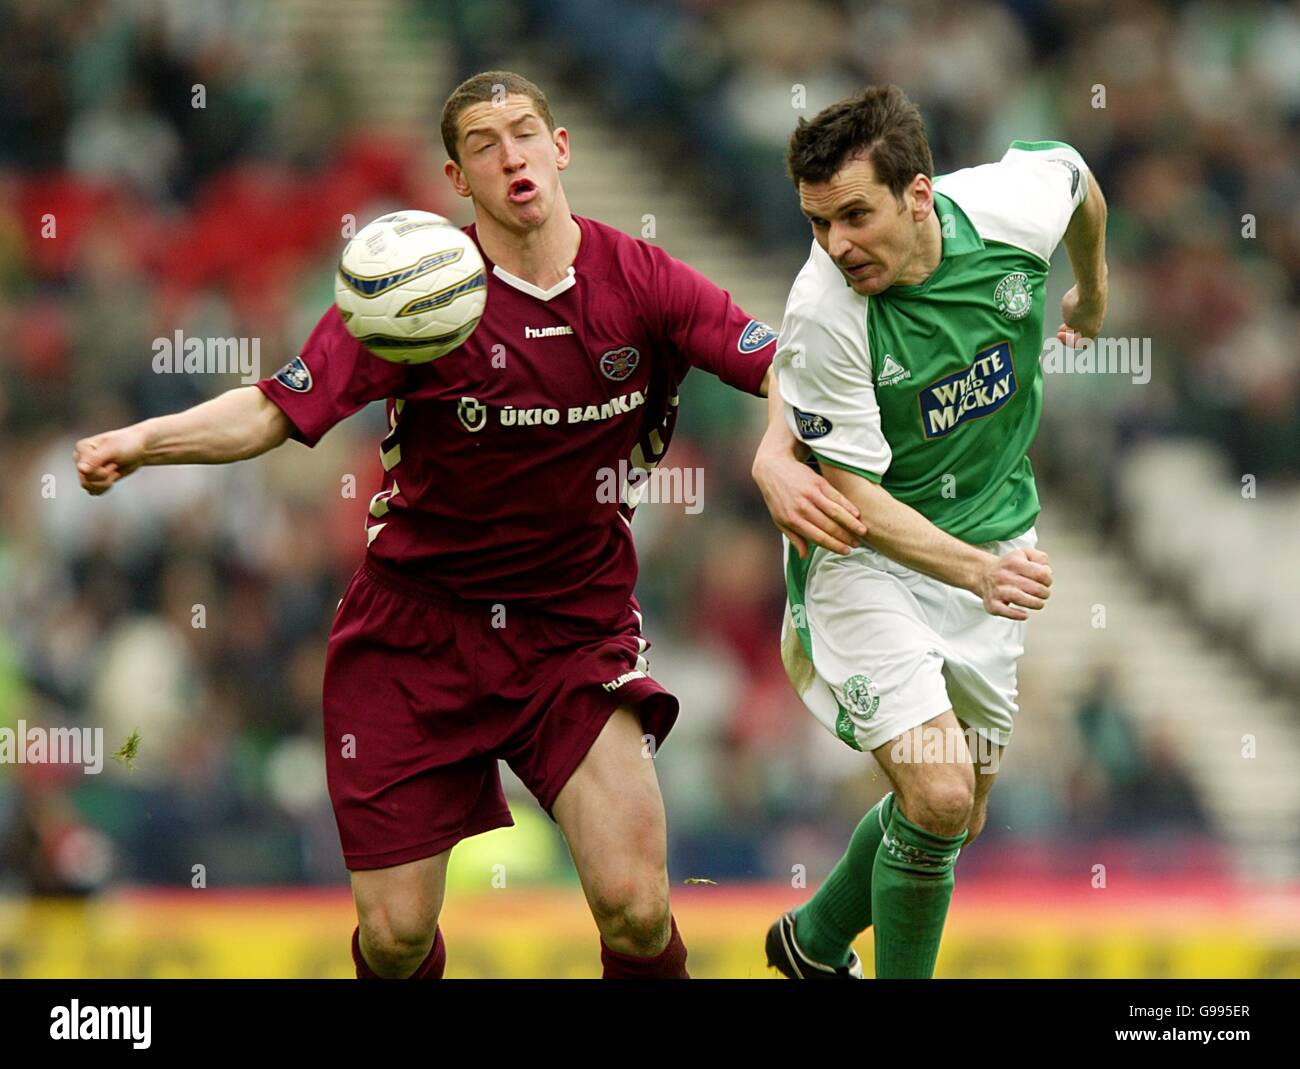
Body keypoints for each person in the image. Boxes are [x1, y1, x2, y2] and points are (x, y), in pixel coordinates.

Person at [74, 70, 852, 979]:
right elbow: (275, 409)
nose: (511, 153)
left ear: (561, 149)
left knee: (639, 910)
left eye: (525, 132)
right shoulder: (414, 293)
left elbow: (785, 369)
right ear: (456, 180)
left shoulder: (639, 280)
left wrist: (773, 452)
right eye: (484, 145)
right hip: (414, 633)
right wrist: (141, 442)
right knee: (397, 939)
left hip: (573, 627)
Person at [753, 85, 1108, 978]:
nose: (836, 244)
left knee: (959, 814)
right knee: (940, 791)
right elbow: (858, 502)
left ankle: (812, 941)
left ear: (920, 195)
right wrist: (976, 573)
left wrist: (1094, 293)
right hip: (864, 562)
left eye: (855, 215)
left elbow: (1079, 182)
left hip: (990, 544)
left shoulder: (1007, 211)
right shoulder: (826, 310)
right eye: (818, 221)